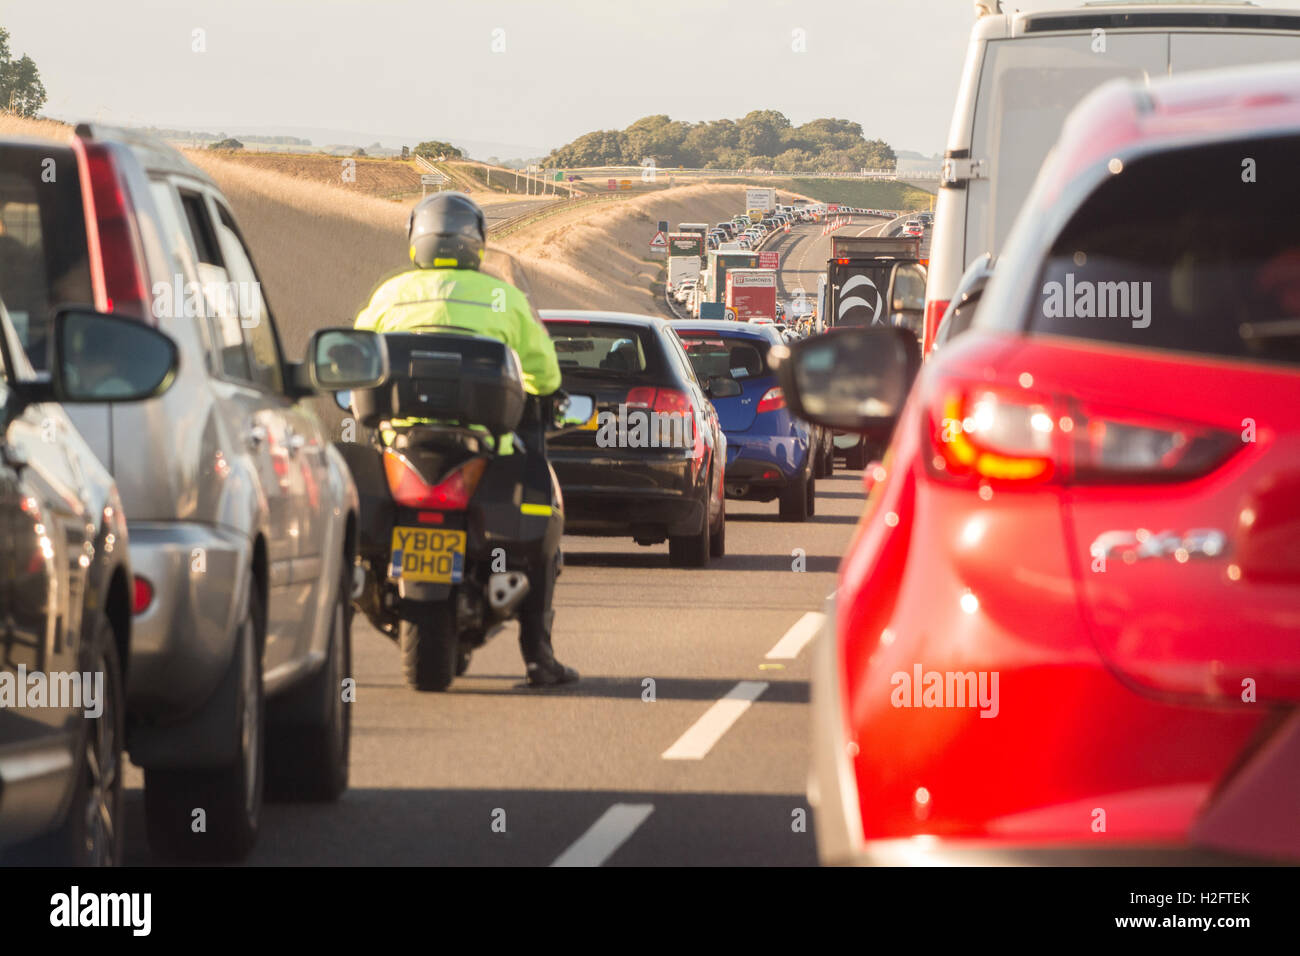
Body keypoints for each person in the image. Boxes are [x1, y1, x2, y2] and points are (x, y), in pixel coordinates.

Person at [355, 192, 578, 687]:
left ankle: (324, 663)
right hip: (484, 450)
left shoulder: (392, 294)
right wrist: (545, 399)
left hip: (399, 444)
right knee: (542, 530)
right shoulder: (503, 297)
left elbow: (359, 358)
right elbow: (543, 370)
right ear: (476, 242)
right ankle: (539, 656)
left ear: (417, 239)